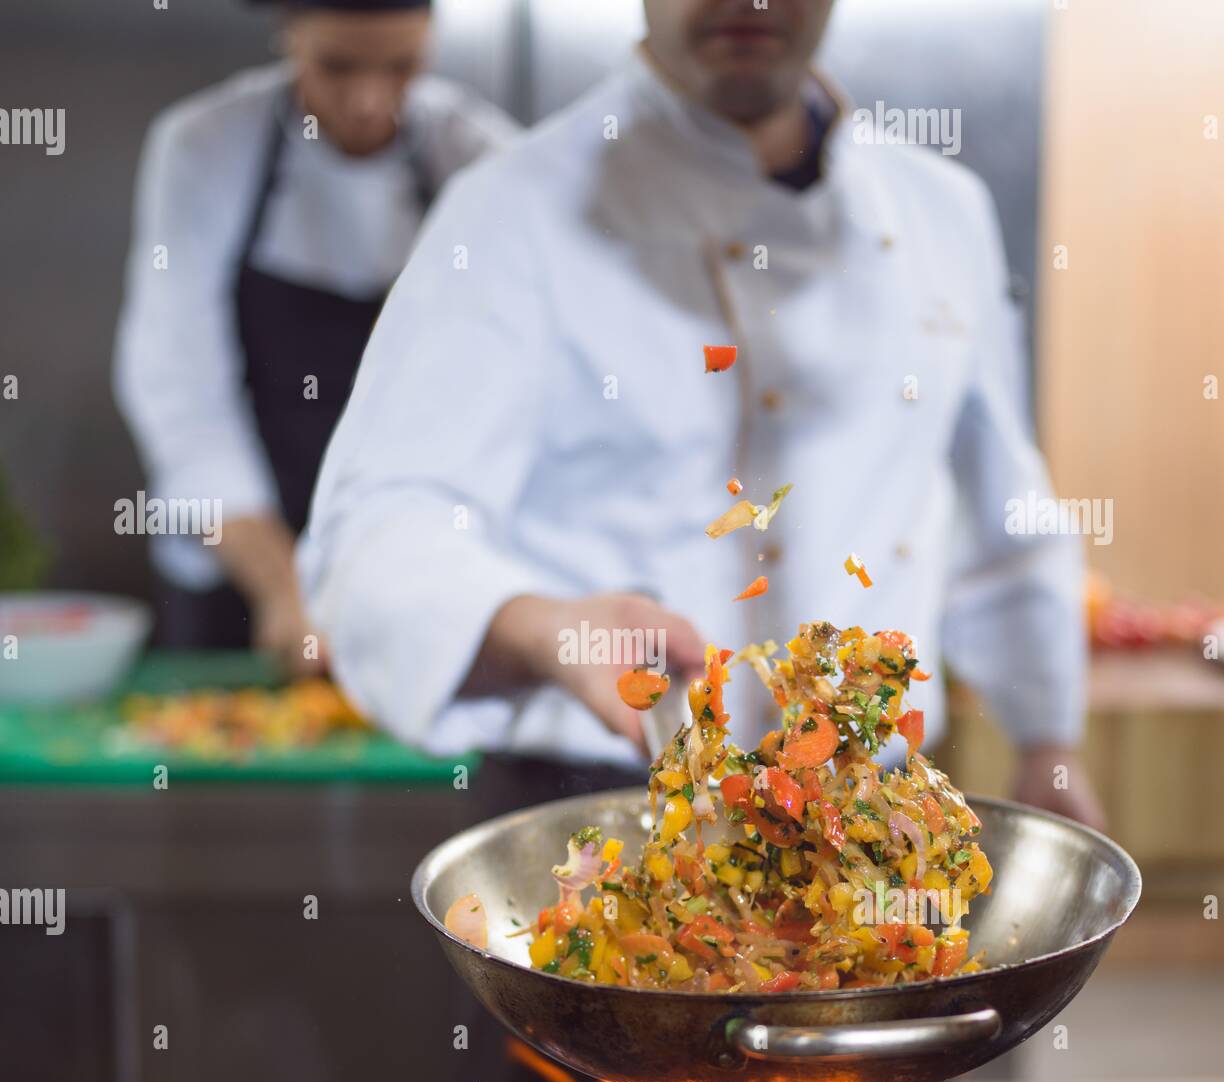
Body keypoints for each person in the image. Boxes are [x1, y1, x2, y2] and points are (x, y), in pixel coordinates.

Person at [299, 0, 1104, 827]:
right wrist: (544, 626)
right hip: (598, 811)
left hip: (870, 810)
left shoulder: (940, 210)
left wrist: (1049, 740)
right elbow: (379, 528)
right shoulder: (509, 210)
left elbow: (1003, 512)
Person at [114, 0, 518, 672]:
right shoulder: (206, 144)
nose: (369, 99)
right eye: (336, 66)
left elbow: (500, 392)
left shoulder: (481, 157)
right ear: (287, 36)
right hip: (236, 558)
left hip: (416, 562)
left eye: (403, 66)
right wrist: (283, 588)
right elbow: (180, 394)